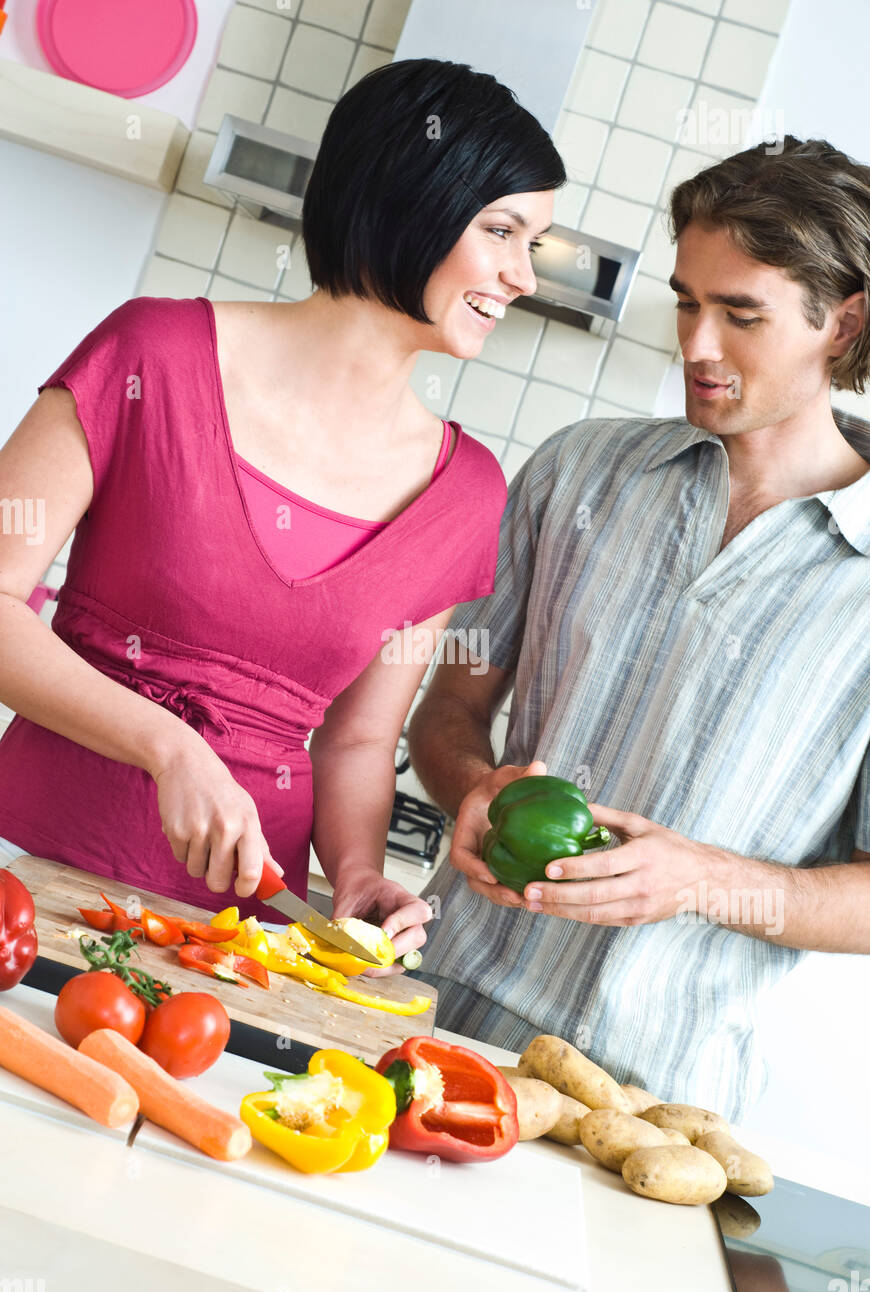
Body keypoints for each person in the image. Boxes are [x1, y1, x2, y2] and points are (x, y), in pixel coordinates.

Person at [0, 58, 563, 953]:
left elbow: (356, 743)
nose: (524, 277)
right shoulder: (154, 353)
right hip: (26, 877)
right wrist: (171, 747)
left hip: (238, 940)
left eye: (533, 244)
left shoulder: (465, 493)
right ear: (407, 198)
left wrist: (358, 873)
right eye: (503, 231)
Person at [408, 136, 870, 1119]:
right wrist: (472, 786)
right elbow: (448, 705)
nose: (696, 345)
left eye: (741, 314)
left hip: (653, 1099)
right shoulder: (576, 471)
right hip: (436, 1016)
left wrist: (701, 879)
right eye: (687, 302)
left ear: (843, 324)